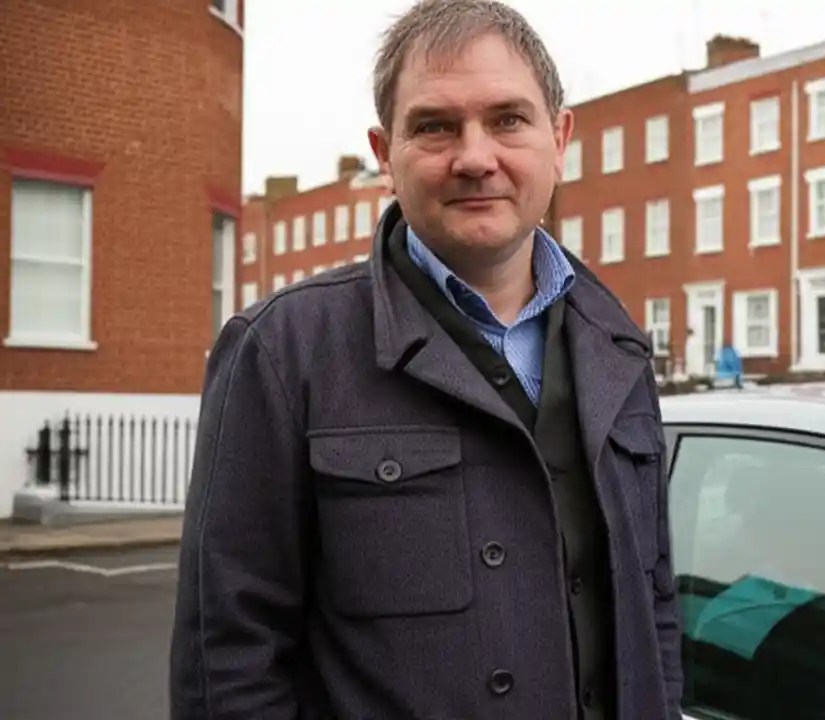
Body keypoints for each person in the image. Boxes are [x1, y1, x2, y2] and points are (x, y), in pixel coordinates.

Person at [168, 1, 683, 717]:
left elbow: (653, 610)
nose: (475, 158)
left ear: (559, 138)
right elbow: (225, 662)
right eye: (435, 126)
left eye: (508, 119)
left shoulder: (617, 343)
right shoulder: (282, 353)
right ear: (385, 155)